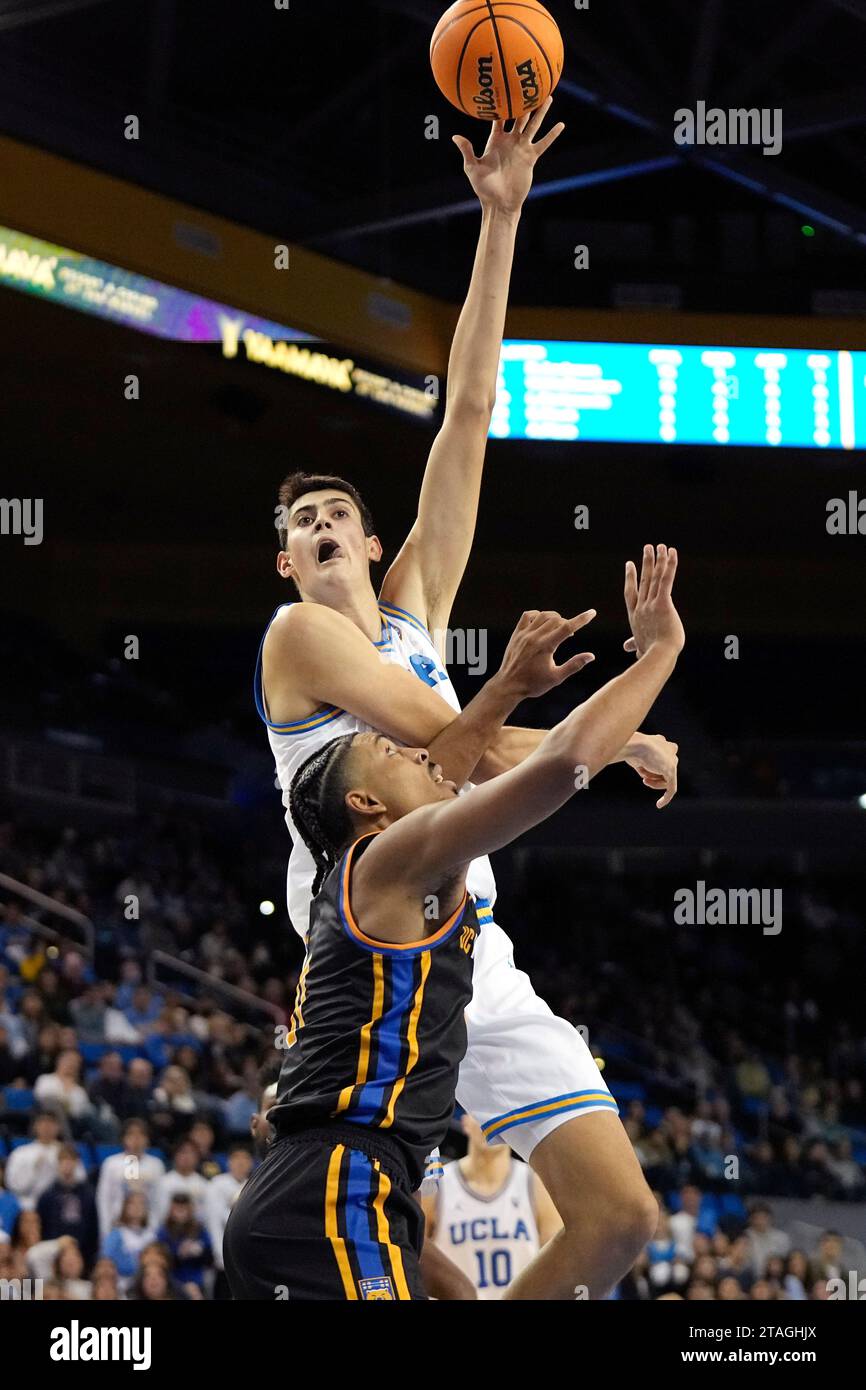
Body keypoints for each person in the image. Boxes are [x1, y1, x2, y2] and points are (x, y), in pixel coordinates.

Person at [256, 101, 679, 1301]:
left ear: (374, 541)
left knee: (618, 1220)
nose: (323, 525)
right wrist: (587, 728)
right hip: (367, 951)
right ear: (285, 565)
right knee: (363, 1232)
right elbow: (452, 743)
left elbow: (469, 414)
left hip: (473, 952)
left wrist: (500, 219)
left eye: (339, 513)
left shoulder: (411, 612)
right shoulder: (295, 640)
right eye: (301, 524)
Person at [226, 544, 684, 1299]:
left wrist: (502, 696)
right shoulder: (390, 861)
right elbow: (556, 765)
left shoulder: (401, 879)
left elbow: (459, 758)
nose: (419, 753)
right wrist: (661, 651)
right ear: (367, 808)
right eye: (389, 751)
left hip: (349, 1191)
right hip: (332, 1194)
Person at [423, 1113, 561, 1299]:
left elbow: (556, 1268)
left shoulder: (537, 1185)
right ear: (465, 1122)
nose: (490, 1125)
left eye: (498, 1117)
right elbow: (416, 1258)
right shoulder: (436, 1185)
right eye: (480, 1116)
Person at [95, 1118, 165, 1239]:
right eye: (131, 1134)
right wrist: (105, 1230)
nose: (136, 1139)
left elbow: (159, 1200)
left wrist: (156, 1228)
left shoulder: (156, 1165)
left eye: (141, 1134)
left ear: (147, 1139)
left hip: (147, 1228)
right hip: (117, 1225)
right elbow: (104, 1199)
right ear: (124, 1138)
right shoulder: (112, 1164)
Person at [36, 1141, 98, 1266]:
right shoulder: (48, 1194)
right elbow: (42, 1224)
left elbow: (93, 1225)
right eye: (64, 1160)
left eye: (71, 1160)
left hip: (82, 1250)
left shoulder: (87, 1194)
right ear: (58, 1164)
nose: (67, 1165)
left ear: (77, 1163)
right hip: (53, 1249)